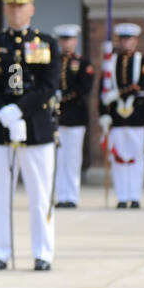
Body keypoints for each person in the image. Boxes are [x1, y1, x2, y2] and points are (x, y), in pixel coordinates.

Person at [0, 0, 60, 271]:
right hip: (1, 128)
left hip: (36, 129)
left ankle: (43, 253)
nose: (16, 11)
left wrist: (20, 110)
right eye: (11, 6)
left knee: (40, 195)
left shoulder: (46, 43)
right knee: (1, 195)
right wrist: (4, 111)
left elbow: (49, 85)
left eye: (21, 6)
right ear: (5, 9)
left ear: (31, 9)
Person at [100, 23, 144, 208]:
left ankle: (135, 196)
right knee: (118, 158)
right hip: (116, 118)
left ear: (136, 41)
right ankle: (122, 196)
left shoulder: (143, 60)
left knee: (136, 157)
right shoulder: (111, 62)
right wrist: (103, 114)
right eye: (123, 39)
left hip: (137, 115)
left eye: (130, 39)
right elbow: (103, 90)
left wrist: (120, 94)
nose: (127, 42)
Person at [53, 24, 93, 208]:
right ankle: (61, 196)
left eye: (69, 39)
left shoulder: (83, 63)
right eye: (63, 39)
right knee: (59, 158)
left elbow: (85, 86)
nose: (66, 43)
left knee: (73, 157)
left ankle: (72, 196)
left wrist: (65, 95)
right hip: (57, 117)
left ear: (75, 41)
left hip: (76, 115)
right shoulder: (54, 61)